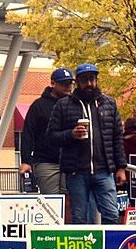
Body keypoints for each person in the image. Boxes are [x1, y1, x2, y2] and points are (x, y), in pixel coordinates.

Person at [47, 63, 124, 225]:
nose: (89, 84)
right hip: (76, 172)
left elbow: (117, 137)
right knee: (80, 218)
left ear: (96, 80)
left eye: (92, 79)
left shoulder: (109, 104)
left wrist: (121, 167)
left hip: (104, 170)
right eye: (84, 80)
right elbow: (51, 136)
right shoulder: (63, 105)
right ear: (77, 82)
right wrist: (71, 134)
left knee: (111, 214)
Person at [19, 67, 74, 196]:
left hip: (71, 161)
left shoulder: (74, 105)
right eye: (63, 83)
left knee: (72, 202)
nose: (67, 86)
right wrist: (26, 161)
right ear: (53, 83)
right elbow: (28, 133)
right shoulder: (38, 105)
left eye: (70, 83)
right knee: (51, 202)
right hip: (46, 162)